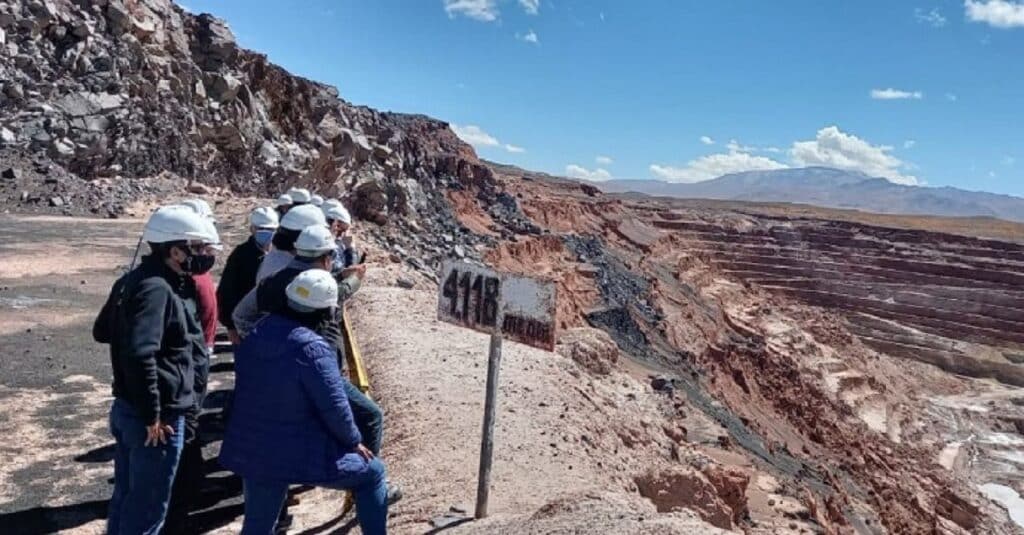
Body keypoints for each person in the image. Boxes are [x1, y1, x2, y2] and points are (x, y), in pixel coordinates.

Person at [220, 270, 389, 535]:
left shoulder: (257, 333)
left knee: (257, 525)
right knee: (373, 474)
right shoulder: (313, 348)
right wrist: (353, 440)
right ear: (325, 312)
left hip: (255, 448)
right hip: (297, 451)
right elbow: (334, 406)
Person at [92, 205, 219, 535]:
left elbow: (102, 330)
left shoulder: (134, 280)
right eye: (197, 249)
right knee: (147, 512)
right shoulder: (158, 289)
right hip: (154, 421)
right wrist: (154, 415)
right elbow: (139, 352)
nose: (204, 256)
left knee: (127, 498)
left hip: (128, 410)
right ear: (174, 251)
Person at [217, 207, 279, 346]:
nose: (266, 233)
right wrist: (230, 327)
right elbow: (226, 291)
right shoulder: (241, 255)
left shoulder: (279, 254)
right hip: (245, 322)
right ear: (252, 229)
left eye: (270, 230)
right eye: (261, 229)